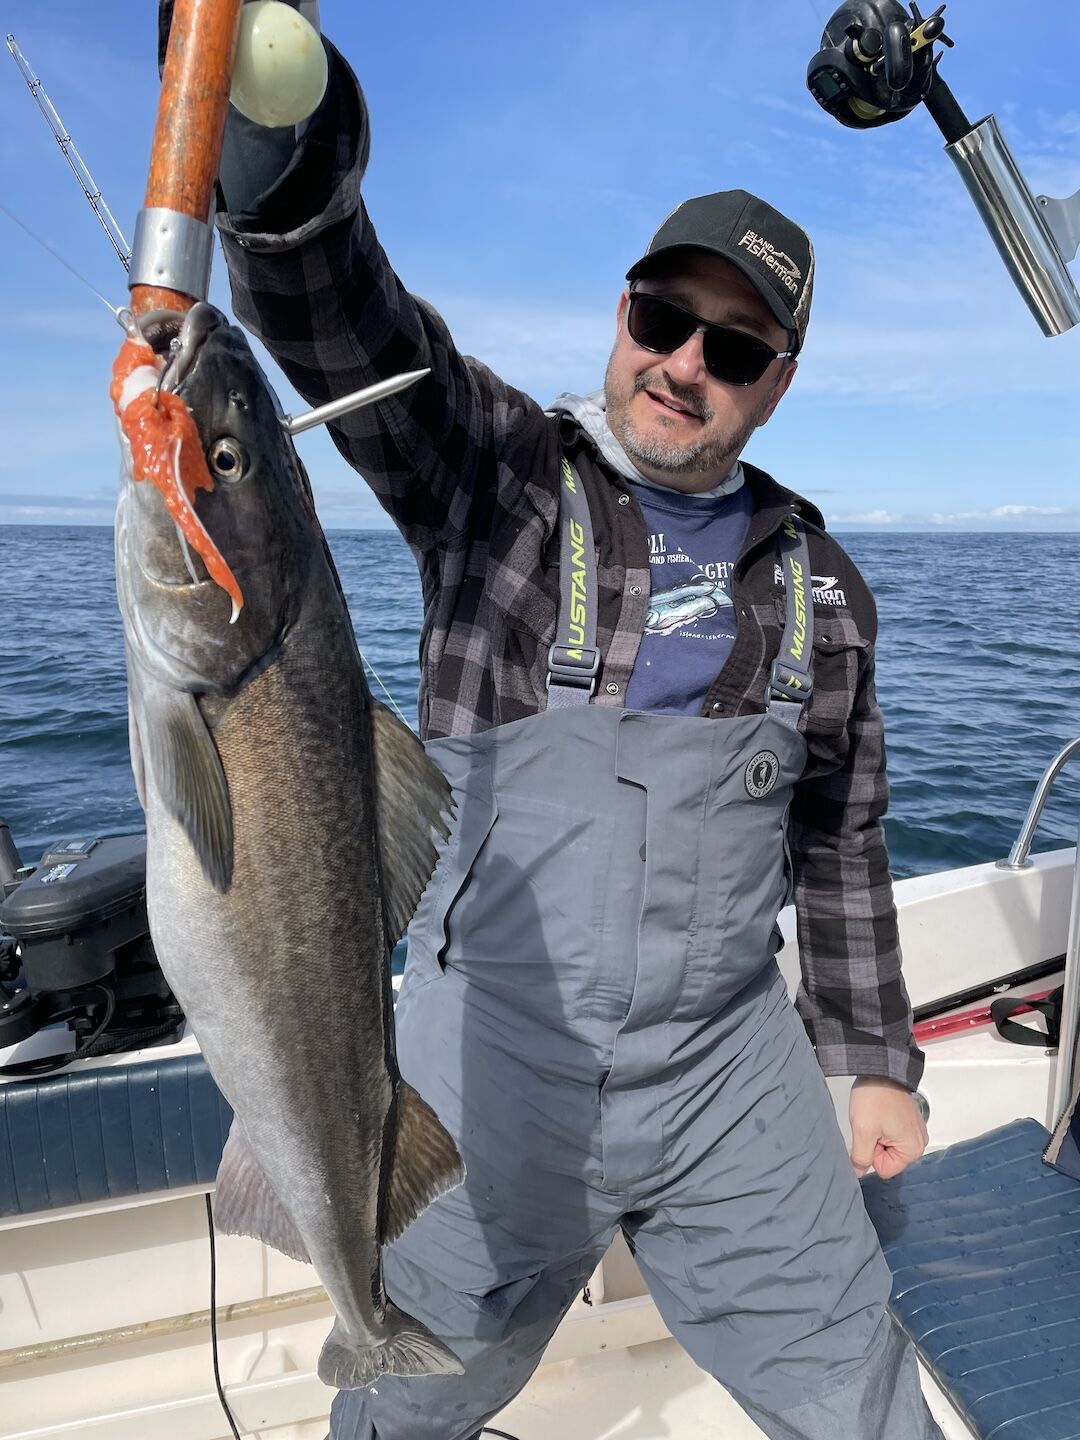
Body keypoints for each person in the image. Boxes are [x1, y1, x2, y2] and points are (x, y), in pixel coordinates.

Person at [199, 6, 943, 1438]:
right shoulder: (495, 480)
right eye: (664, 320)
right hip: (491, 1063)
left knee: (863, 1398)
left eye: (736, 349)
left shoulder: (826, 590)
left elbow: (843, 840)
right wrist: (276, 150)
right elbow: (344, 323)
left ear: (778, 382)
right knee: (402, 1399)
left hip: (731, 1070)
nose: (685, 364)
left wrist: (873, 1062)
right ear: (622, 315)